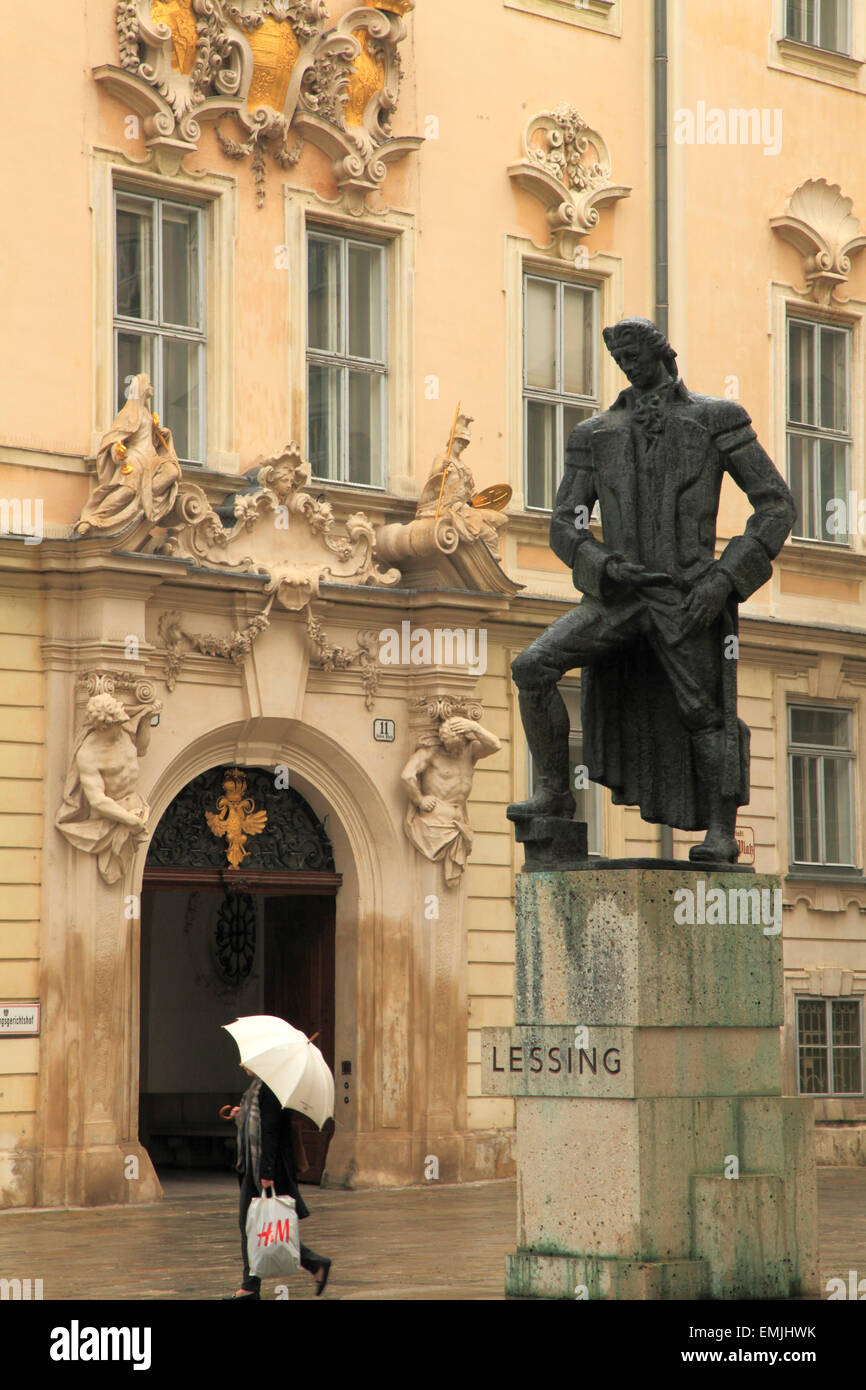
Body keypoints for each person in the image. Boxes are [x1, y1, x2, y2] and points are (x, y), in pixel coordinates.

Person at [508, 316, 795, 863]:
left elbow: (775, 503)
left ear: (663, 354)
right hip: (616, 596)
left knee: (704, 713)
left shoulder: (716, 418)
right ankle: (554, 791)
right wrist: (603, 565)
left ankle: (719, 831)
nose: (627, 368)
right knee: (532, 666)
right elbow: (564, 524)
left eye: (634, 357)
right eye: (620, 361)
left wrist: (725, 579)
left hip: (688, 595)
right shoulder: (593, 434)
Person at [221, 1067, 331, 1299]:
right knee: (250, 1225)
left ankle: (252, 1286)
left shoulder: (271, 1089)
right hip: (252, 1167)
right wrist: (240, 1114)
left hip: (267, 1168)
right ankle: (254, 1284)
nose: (242, 1065)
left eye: (246, 1062)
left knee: (259, 1227)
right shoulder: (257, 1087)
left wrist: (267, 1172)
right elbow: (256, 1121)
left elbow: (270, 1132)